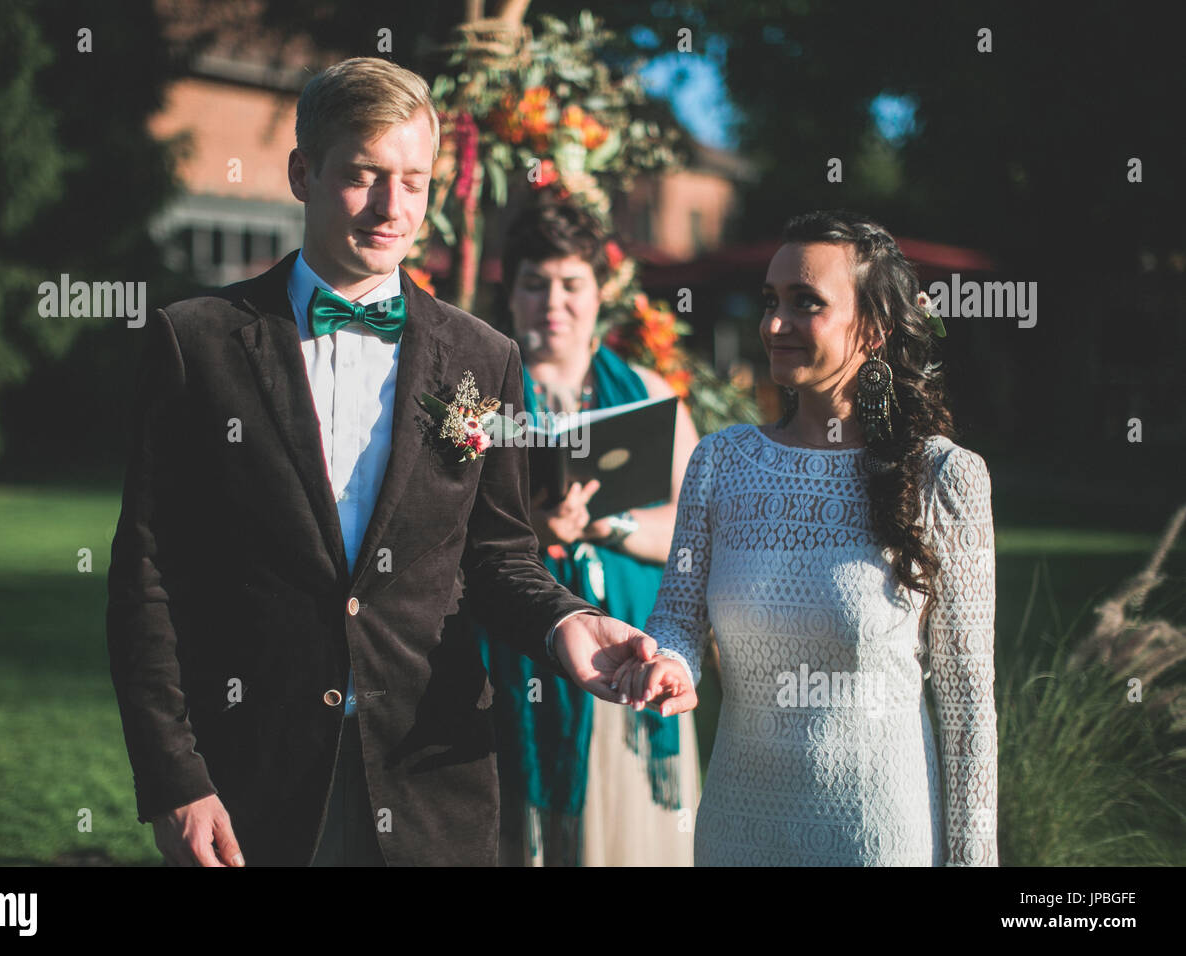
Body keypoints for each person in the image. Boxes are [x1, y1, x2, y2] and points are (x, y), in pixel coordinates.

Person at [105, 57, 663, 868]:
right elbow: (147, 574)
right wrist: (174, 778)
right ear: (303, 173)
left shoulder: (484, 357)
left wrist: (566, 623)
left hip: (433, 782)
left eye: (414, 180)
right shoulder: (198, 343)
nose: (392, 208)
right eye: (364, 175)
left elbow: (497, 554)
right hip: (252, 785)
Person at [623, 210, 998, 866]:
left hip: (875, 839)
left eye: (807, 303)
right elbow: (676, 619)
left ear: (875, 329)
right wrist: (671, 665)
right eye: (770, 301)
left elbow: (969, 711)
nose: (773, 324)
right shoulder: (721, 463)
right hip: (737, 836)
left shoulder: (941, 477)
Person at [476, 200, 703, 866]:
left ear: (599, 292)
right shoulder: (481, 398)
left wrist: (608, 523)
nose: (554, 302)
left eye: (572, 283)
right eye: (534, 283)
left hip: (629, 658)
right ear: (510, 292)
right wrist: (533, 531)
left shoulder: (647, 393)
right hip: (520, 661)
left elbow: (694, 536)